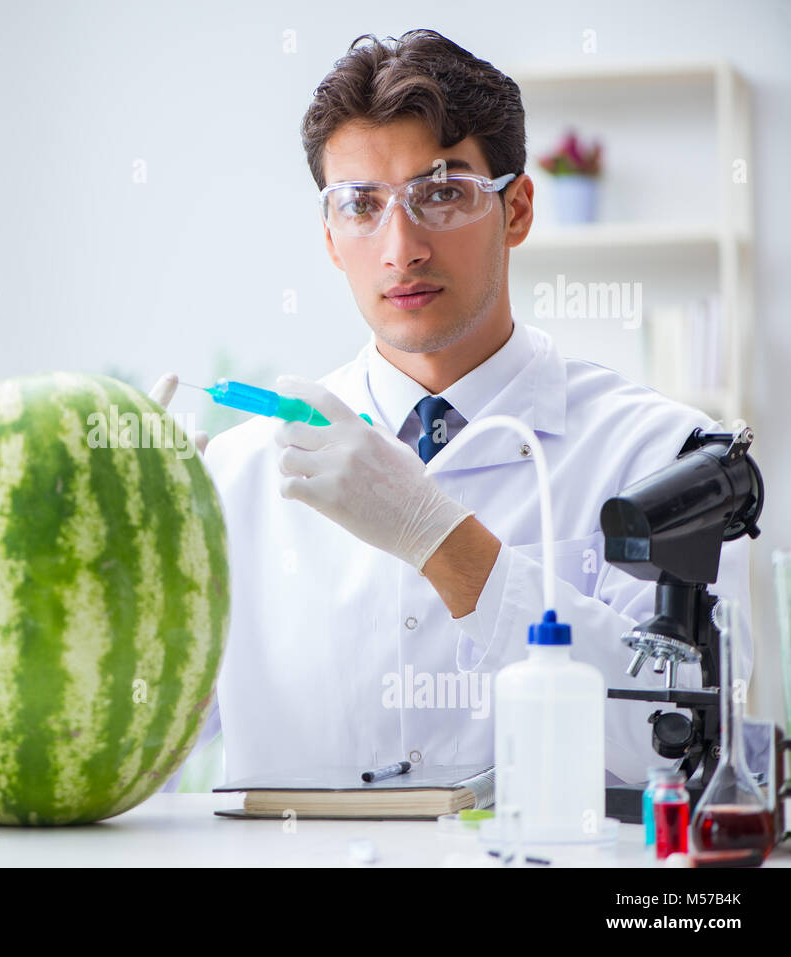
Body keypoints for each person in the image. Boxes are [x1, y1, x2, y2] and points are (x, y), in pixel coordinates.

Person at [150, 29, 753, 791]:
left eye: (440, 193)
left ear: (519, 208)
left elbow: (684, 740)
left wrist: (442, 540)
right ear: (332, 238)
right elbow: (131, 746)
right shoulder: (235, 478)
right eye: (361, 205)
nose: (401, 247)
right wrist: (120, 559)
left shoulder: (665, 457)